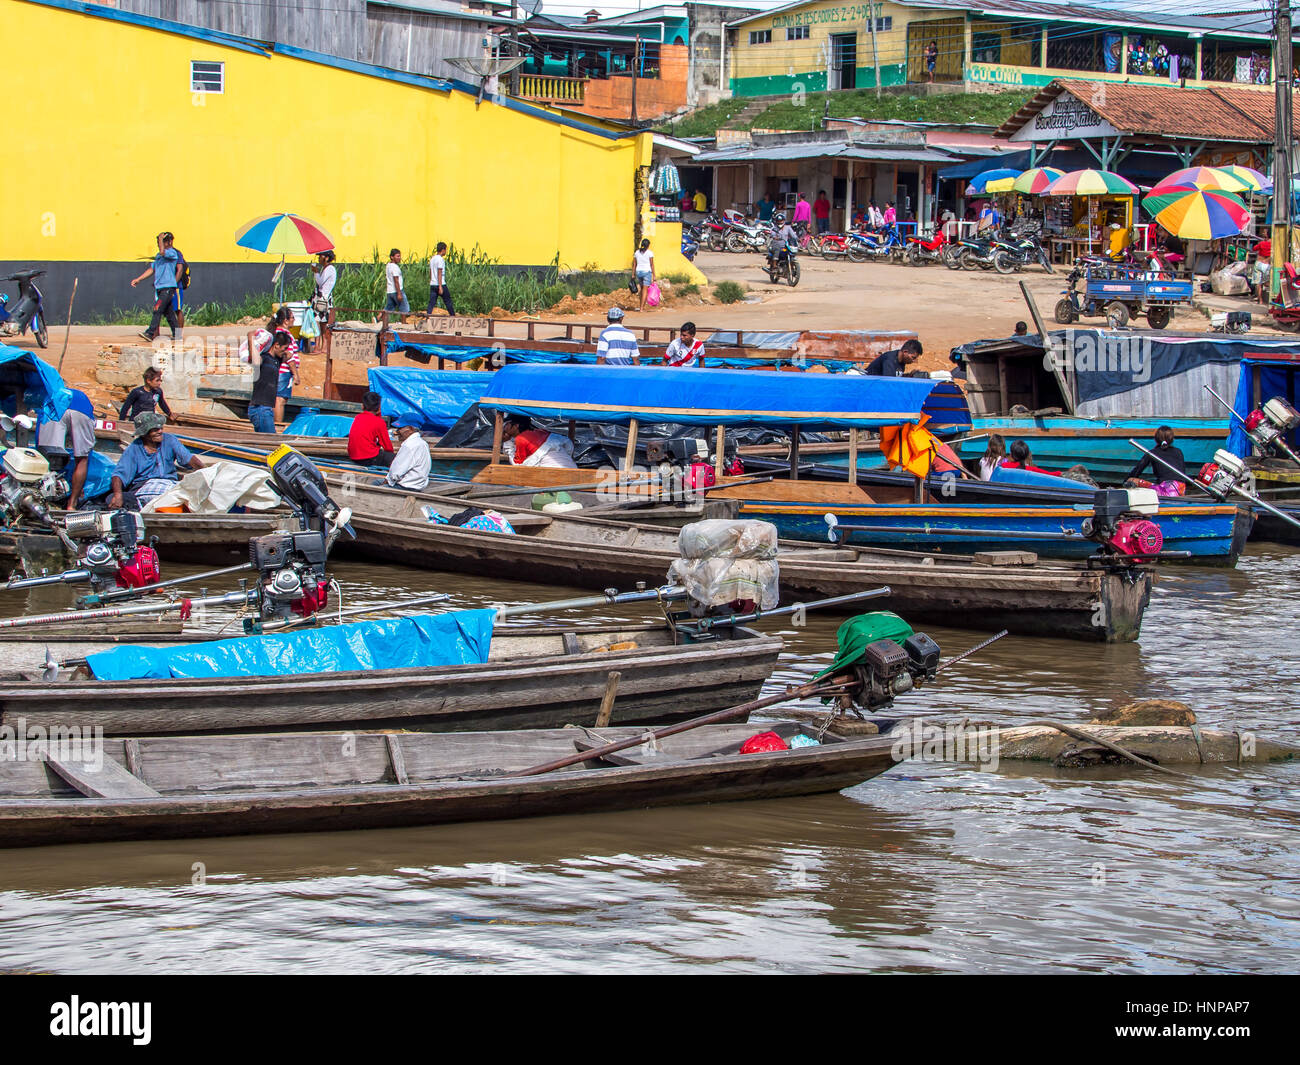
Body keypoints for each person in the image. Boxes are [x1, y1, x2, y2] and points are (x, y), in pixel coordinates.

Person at [109, 411, 204, 509]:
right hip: (145, 486)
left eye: (161, 428)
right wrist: (118, 495)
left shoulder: (170, 440)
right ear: (144, 433)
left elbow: (189, 459)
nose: (160, 431)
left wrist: (208, 472)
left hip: (169, 484)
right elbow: (118, 475)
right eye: (155, 430)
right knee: (111, 498)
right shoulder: (134, 448)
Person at [36, 388, 96, 509]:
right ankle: (72, 504)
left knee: (47, 456)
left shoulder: (49, 395)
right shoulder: (80, 394)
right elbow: (88, 452)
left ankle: (47, 501)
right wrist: (81, 487)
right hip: (82, 408)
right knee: (82, 459)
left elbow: (39, 447)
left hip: (56, 406)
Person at [130, 231, 183, 343]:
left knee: (157, 308)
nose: (159, 244)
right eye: (159, 242)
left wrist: (160, 240)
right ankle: (178, 335)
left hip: (168, 287)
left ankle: (150, 333)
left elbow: (163, 252)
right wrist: (138, 279)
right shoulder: (159, 256)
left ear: (169, 242)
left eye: (163, 241)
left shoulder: (172, 253)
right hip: (160, 287)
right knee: (169, 314)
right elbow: (151, 269)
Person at [248, 330, 290, 434]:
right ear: (276, 345)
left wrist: (284, 350)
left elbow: (289, 355)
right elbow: (255, 360)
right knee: (271, 442)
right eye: (284, 348)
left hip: (266, 409)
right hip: (260, 408)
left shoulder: (277, 361)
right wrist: (251, 338)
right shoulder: (264, 359)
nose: (285, 351)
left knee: (264, 444)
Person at [502, 414, 578, 469]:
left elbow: (517, 465)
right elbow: (568, 445)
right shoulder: (541, 432)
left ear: (516, 426)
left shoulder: (521, 439)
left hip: (556, 475)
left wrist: (507, 442)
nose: (504, 427)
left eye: (506, 424)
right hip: (573, 470)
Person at [347, 391, 394, 468]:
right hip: (368, 457)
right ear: (379, 407)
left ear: (362, 406)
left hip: (354, 456)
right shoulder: (379, 422)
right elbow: (387, 446)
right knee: (394, 459)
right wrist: (390, 456)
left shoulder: (358, 417)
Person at [385, 414, 431, 491]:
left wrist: (385, 481)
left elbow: (395, 474)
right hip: (417, 485)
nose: (397, 432)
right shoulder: (422, 443)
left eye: (399, 428)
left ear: (410, 429)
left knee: (375, 485)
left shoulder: (409, 445)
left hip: (406, 487)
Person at [427, 241, 455, 317]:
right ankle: (453, 316)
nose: (445, 252)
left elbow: (430, 271)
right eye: (445, 250)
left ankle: (428, 315)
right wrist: (440, 286)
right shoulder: (440, 259)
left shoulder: (432, 259)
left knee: (431, 302)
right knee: (448, 301)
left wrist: (431, 280)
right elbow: (439, 272)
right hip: (440, 283)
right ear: (442, 250)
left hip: (433, 284)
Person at [633, 239, 655, 312]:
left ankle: (640, 306)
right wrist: (654, 275)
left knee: (642, 289)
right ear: (648, 245)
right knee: (645, 290)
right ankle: (642, 308)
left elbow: (634, 264)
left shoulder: (637, 252)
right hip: (646, 272)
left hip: (639, 272)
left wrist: (633, 274)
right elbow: (651, 265)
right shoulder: (650, 253)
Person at [384, 248, 408, 314]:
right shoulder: (394, 267)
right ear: (392, 257)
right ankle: (403, 324)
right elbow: (396, 281)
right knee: (405, 309)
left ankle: (377, 319)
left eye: (400, 256)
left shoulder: (388, 265)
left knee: (388, 308)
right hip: (396, 291)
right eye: (397, 256)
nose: (399, 258)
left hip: (390, 291)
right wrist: (399, 293)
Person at [1251, 237, 1272, 304]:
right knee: (1267, 282)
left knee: (1258, 283)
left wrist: (1261, 243)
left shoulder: (1262, 243)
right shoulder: (1274, 244)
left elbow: (1254, 248)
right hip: (1267, 265)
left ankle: (1260, 300)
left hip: (1259, 263)